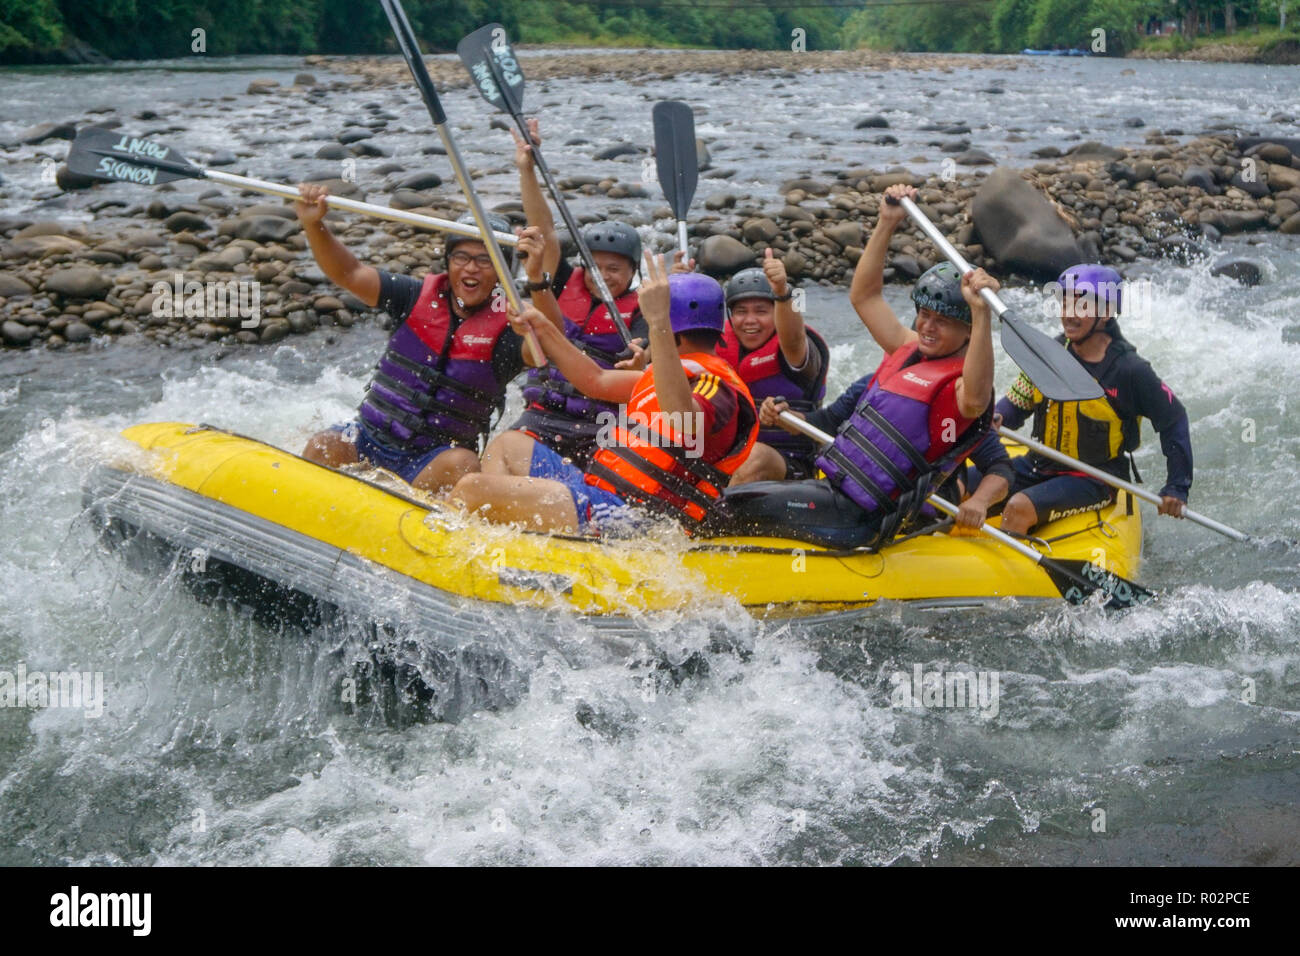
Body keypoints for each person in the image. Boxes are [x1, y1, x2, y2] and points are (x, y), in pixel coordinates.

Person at [716, 183, 998, 549]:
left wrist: (981, 312)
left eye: (942, 320)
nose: (927, 326)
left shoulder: (961, 384)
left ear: (968, 330)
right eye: (924, 315)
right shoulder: (910, 351)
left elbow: (976, 398)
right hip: (836, 492)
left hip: (865, 516)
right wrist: (886, 222)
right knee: (735, 499)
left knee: (734, 506)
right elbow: (865, 297)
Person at [450, 256, 757, 535]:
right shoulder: (668, 376)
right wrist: (544, 329)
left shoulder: (717, 388)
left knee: (471, 489)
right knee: (509, 444)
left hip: (637, 520)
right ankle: (502, 541)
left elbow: (683, 417)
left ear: (672, 333)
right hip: (600, 495)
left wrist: (658, 323)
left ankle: (456, 548)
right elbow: (594, 380)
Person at [296, 184, 541, 492]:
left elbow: (547, 349)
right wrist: (313, 224)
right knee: (323, 445)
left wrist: (538, 281)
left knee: (462, 465)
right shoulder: (413, 295)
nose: (470, 268)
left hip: (431, 459)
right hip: (369, 438)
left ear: (504, 272)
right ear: (449, 261)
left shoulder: (512, 327)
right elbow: (350, 273)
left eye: (485, 260)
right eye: (461, 257)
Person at [478, 120, 649, 478]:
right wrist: (527, 169)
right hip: (542, 414)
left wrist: (642, 364)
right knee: (498, 461)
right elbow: (543, 231)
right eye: (595, 265)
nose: (602, 275)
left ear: (633, 273)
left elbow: (648, 359)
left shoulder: (643, 309)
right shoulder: (559, 281)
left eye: (614, 268)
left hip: (601, 426)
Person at [995, 263, 1192, 536]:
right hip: (1038, 464)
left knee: (1018, 507)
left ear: (1106, 313)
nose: (1069, 315)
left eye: (1082, 306)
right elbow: (1017, 402)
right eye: (1065, 304)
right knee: (958, 484)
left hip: (1094, 477)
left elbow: (1174, 419)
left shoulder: (1130, 370)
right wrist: (997, 416)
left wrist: (1176, 486)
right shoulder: (1050, 353)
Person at [716, 250, 830, 485]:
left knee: (754, 457)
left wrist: (782, 292)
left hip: (789, 463)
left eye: (761, 311)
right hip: (730, 455)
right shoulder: (719, 344)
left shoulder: (793, 350)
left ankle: (708, 520)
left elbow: (794, 339)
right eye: (741, 312)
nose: (749, 321)